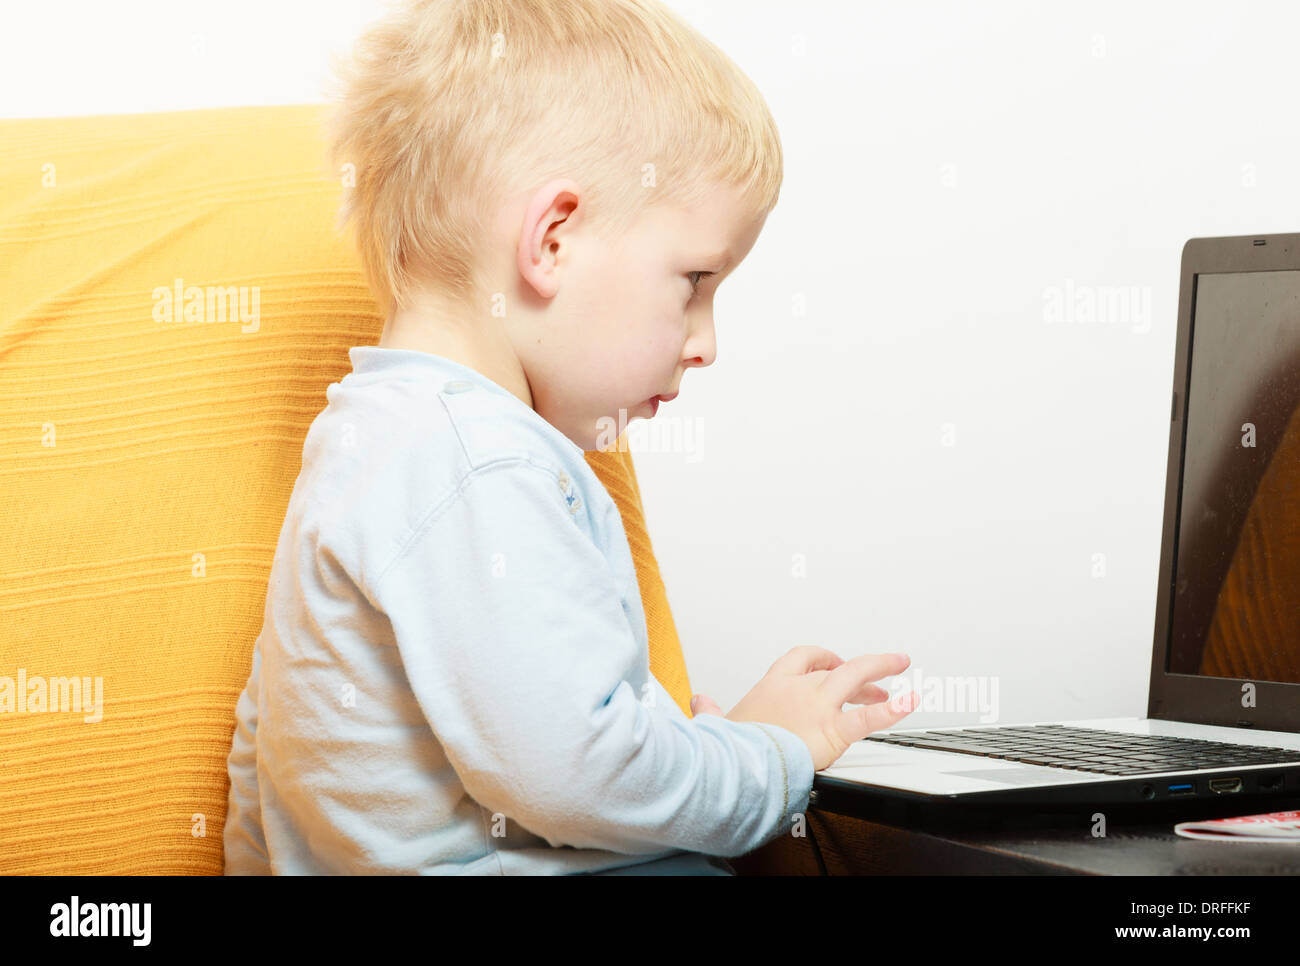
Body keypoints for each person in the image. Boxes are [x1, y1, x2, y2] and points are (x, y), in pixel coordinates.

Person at [223, 0, 919, 875]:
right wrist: (774, 755)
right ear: (552, 240)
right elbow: (580, 775)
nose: (706, 342)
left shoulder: (367, 438)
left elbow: (270, 755)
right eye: (696, 281)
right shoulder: (483, 463)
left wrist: (710, 742)